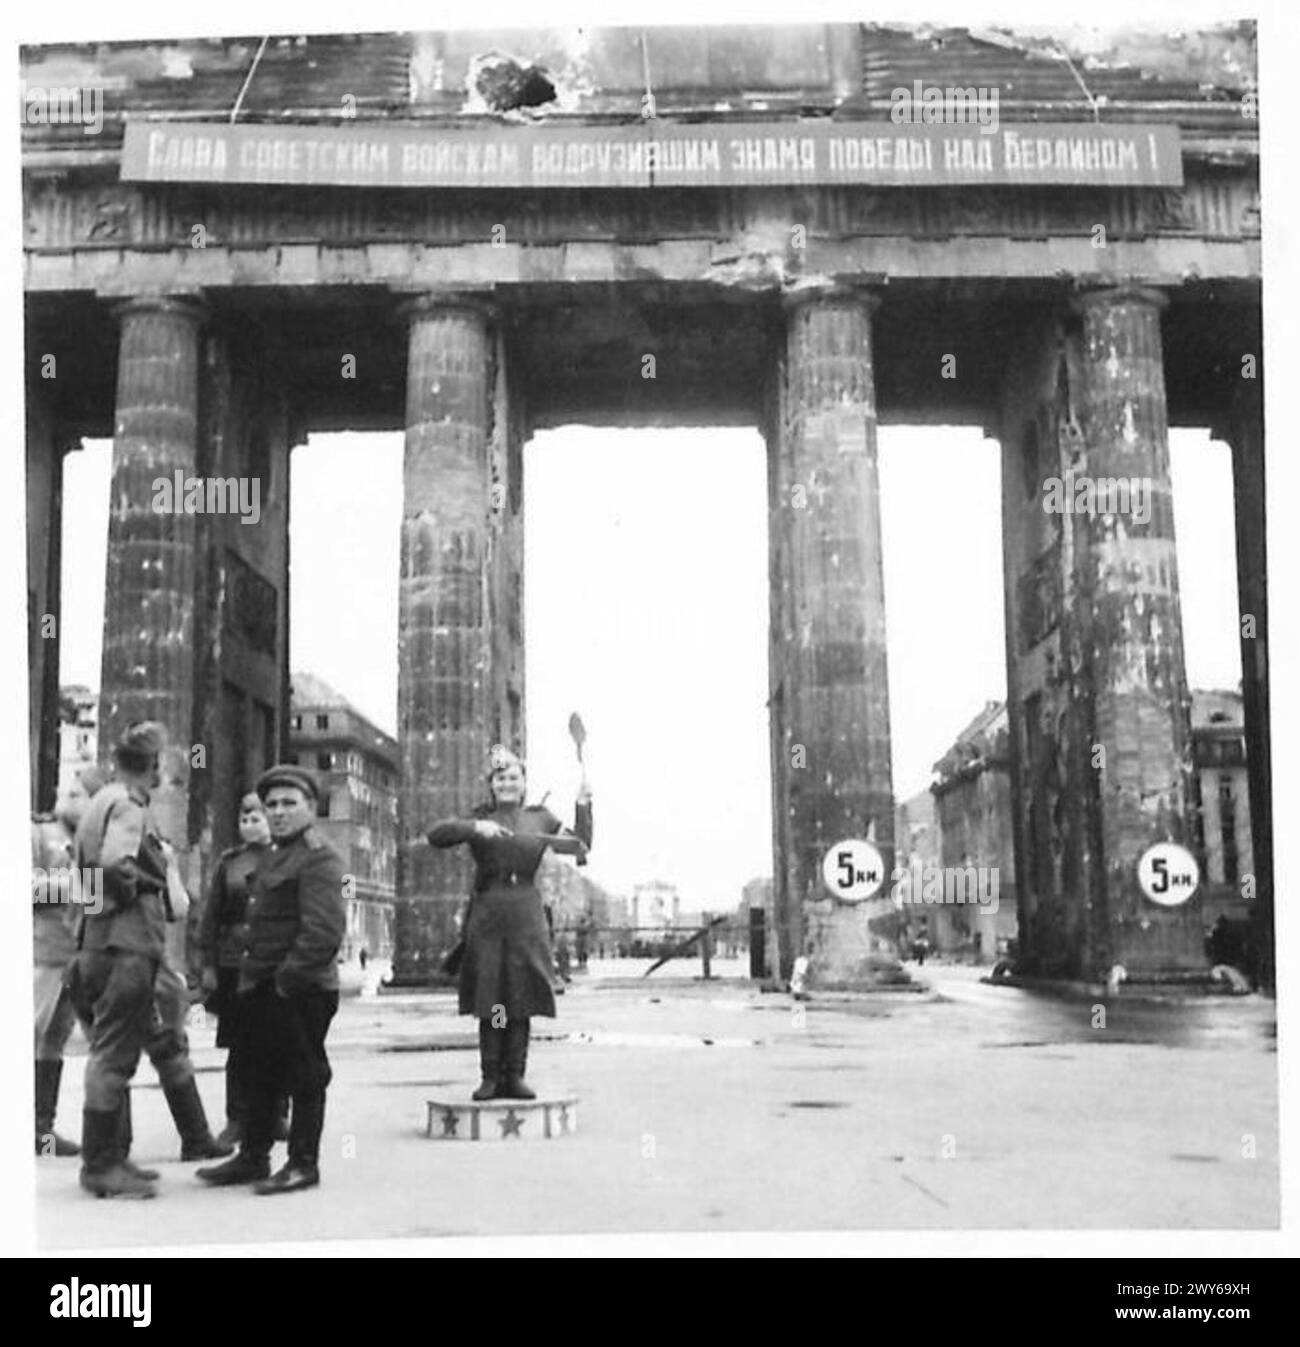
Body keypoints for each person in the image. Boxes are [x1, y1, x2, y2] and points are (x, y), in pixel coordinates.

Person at [197, 765, 346, 1195]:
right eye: (272, 805)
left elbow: (322, 934)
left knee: (305, 1074)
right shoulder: (276, 854)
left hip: (301, 988)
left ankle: (303, 1164)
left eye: (289, 804)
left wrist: (285, 982)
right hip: (260, 983)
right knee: (256, 1073)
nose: (278, 812)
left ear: (311, 808)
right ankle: (253, 1157)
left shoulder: (319, 856)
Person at [427, 747, 592, 1102]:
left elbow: (579, 846)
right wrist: (474, 827)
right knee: (493, 997)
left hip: (526, 915)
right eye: (500, 778)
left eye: (513, 777)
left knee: (520, 995)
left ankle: (515, 1075)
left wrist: (583, 806)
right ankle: (490, 1076)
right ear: (491, 785)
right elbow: (436, 834)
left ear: (523, 783)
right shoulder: (480, 816)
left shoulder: (541, 818)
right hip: (488, 913)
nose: (507, 783)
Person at [68, 722, 174, 1199]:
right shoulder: (130, 804)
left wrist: (101, 911)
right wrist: (131, 894)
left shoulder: (98, 801)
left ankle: (110, 1155)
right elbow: (115, 863)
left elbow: (87, 871)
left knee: (106, 1051)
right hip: (128, 946)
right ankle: (101, 1166)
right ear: (154, 765)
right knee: (114, 1056)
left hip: (94, 942)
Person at [195, 793, 284, 1150]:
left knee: (277, 1042)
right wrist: (207, 964)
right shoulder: (228, 863)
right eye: (244, 817)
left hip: (274, 962)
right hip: (234, 962)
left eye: (257, 816)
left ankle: (277, 1114)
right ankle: (237, 1118)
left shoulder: (285, 858)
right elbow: (211, 915)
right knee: (239, 1045)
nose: (250, 823)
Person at [32, 763, 106, 1157]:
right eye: (67, 792)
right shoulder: (38, 832)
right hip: (41, 952)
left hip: (78, 955)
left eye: (79, 794)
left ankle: (42, 1131)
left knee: (54, 1040)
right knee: (28, 1034)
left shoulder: (94, 841)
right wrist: (79, 886)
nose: (69, 799)